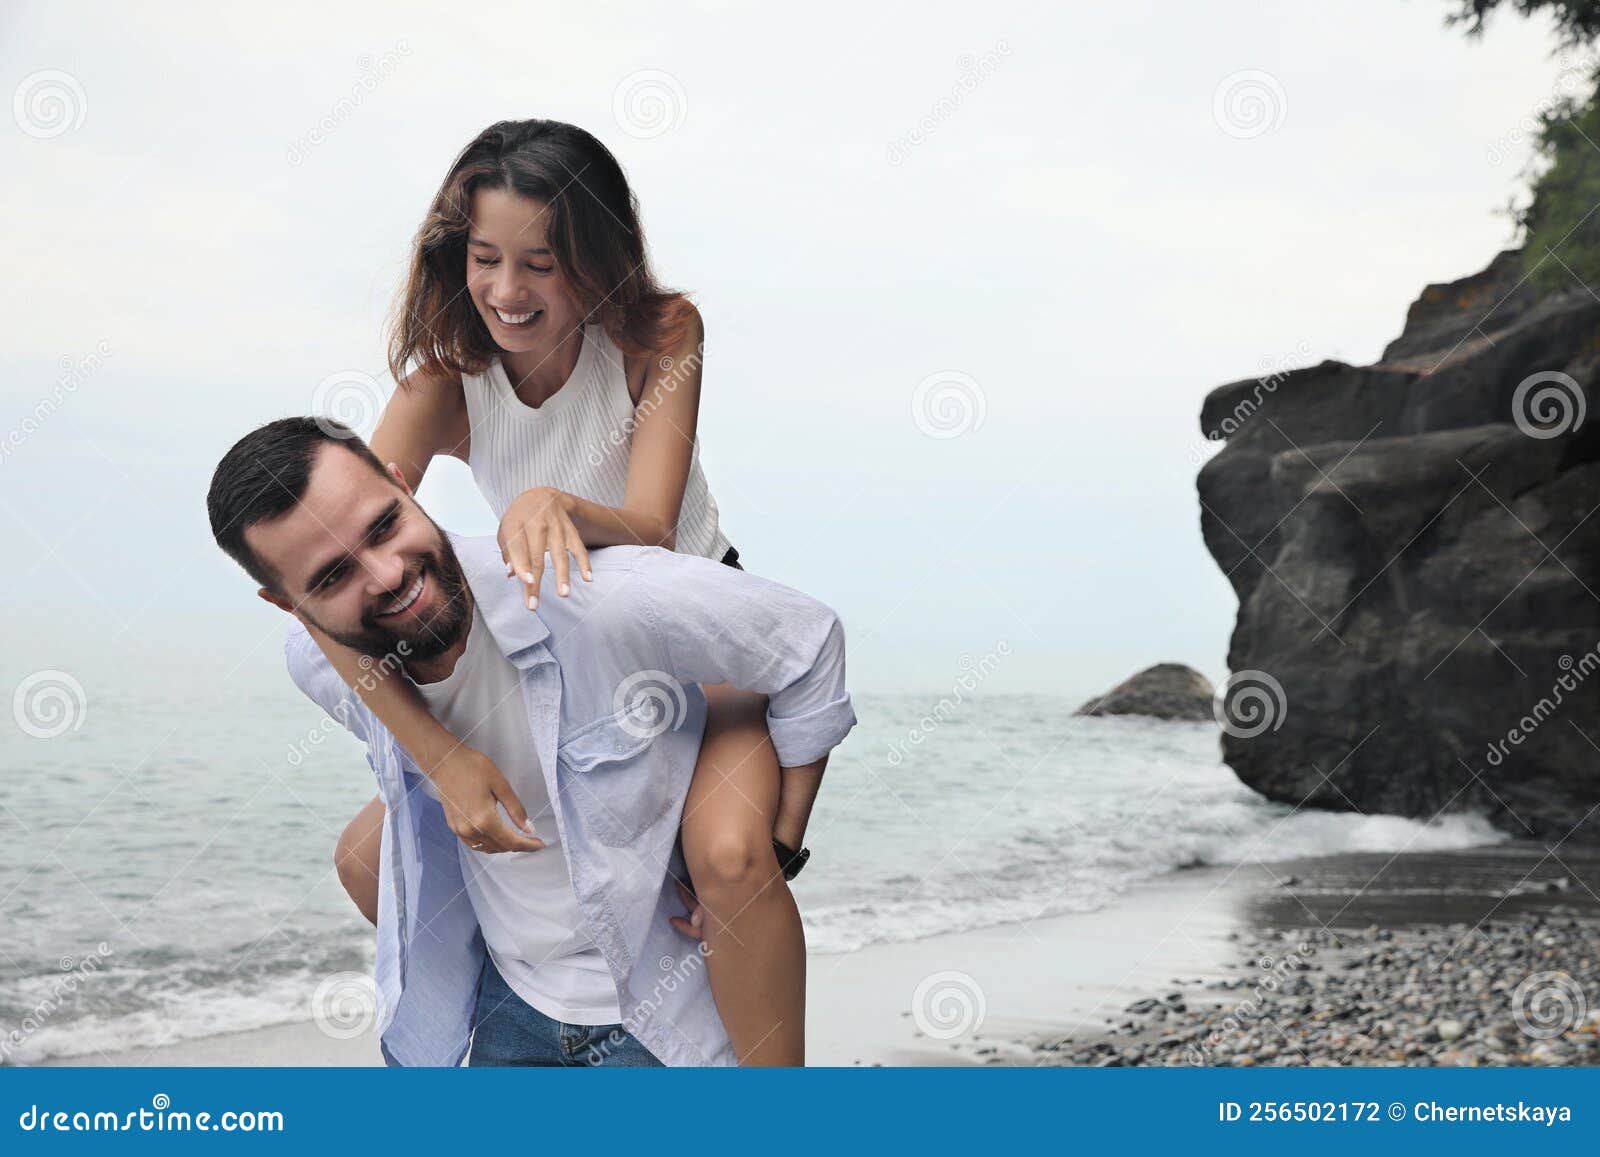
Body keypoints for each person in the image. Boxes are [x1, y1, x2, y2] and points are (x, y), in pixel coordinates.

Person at [315, 117, 814, 1065]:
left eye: (541, 263)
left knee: (731, 858)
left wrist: (553, 502)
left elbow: (655, 530)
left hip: (701, 638)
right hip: (569, 659)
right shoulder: (443, 385)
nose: (508, 292)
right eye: (486, 257)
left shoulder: (660, 333)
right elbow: (333, 566)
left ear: (594, 256)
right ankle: (518, 997)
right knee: (365, 853)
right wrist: (441, 755)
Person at [205, 417, 856, 1066]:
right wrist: (441, 755)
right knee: (361, 852)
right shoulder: (320, 663)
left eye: (383, 526)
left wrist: (778, 847)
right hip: (510, 1004)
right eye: (330, 576)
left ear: (404, 485)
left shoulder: (598, 597)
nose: (386, 574)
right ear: (287, 604)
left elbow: (809, 640)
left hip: (659, 1008)